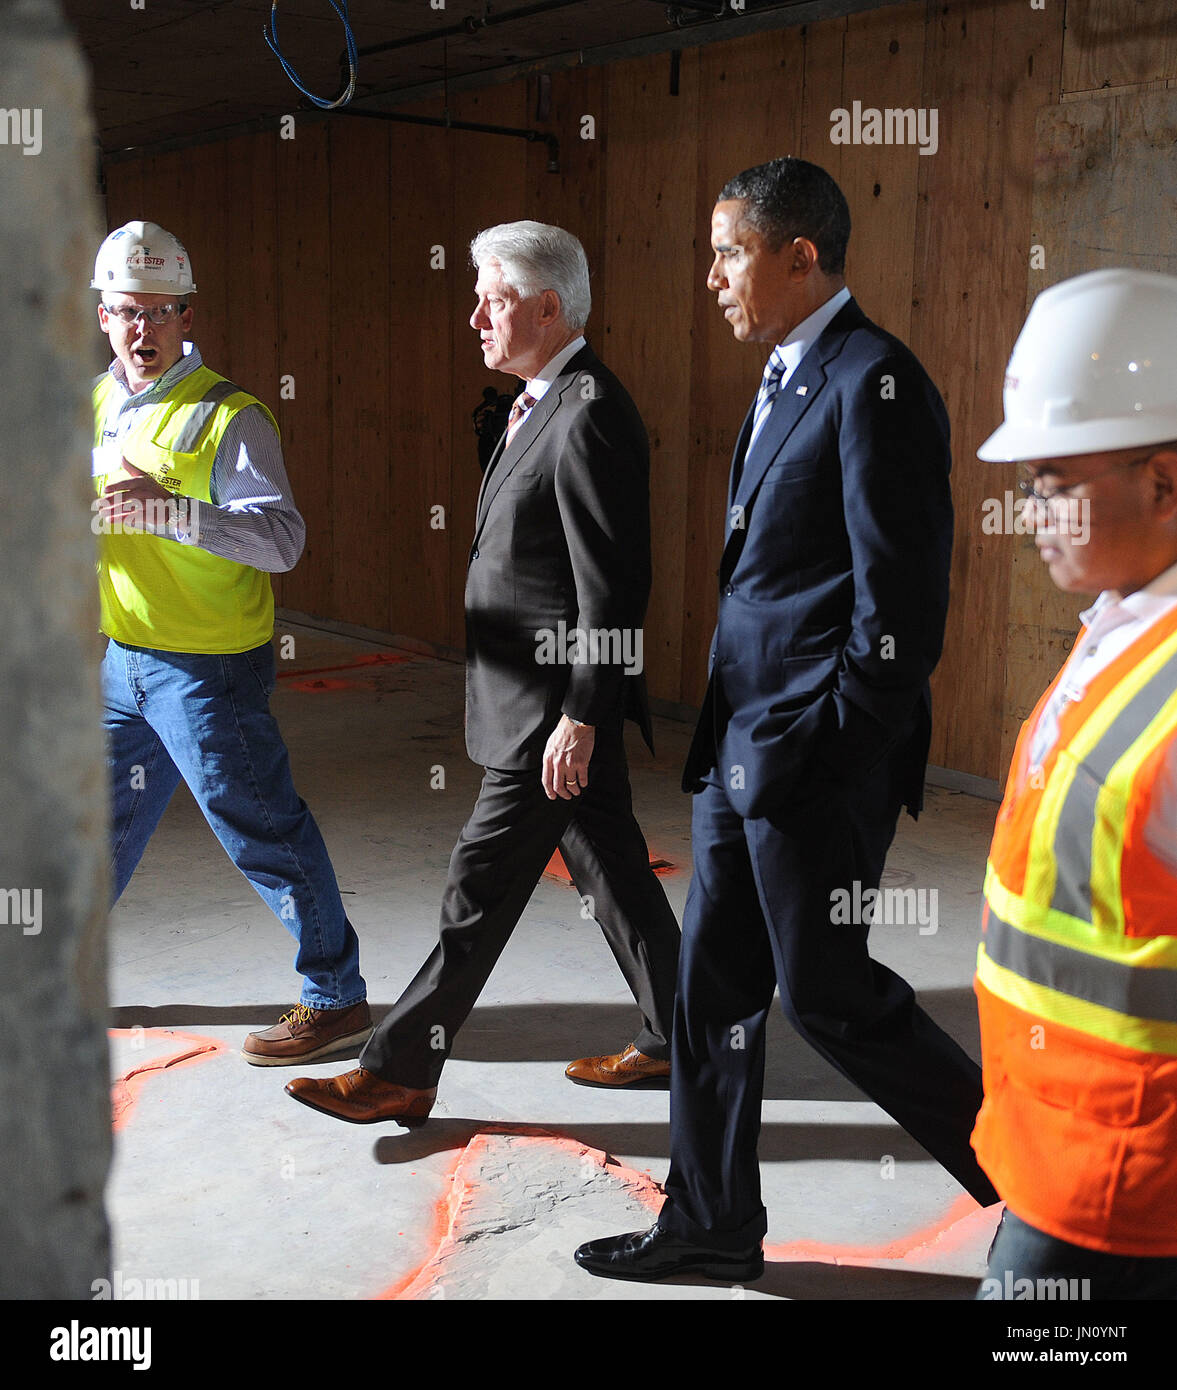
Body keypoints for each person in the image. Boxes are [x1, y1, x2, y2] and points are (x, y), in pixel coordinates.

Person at [576, 157, 998, 1284]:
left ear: (798, 255)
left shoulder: (876, 384)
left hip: (807, 762)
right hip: (741, 751)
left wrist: (825, 751)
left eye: (728, 251)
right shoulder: (787, 375)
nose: (710, 275)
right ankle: (709, 1219)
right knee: (709, 990)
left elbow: (900, 607)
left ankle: (1057, 1198)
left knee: (830, 999)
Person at [285, 221, 681, 1125]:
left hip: (549, 709)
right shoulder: (538, 400)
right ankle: (682, 1037)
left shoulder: (586, 411)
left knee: (479, 884)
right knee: (613, 871)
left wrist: (582, 715)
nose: (473, 318)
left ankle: (401, 1068)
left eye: (492, 299)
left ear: (547, 306)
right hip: (536, 699)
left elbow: (611, 586)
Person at [92, 220, 370, 1066]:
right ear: (102, 314)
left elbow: (282, 542)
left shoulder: (229, 415)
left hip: (206, 669)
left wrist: (172, 511)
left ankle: (335, 996)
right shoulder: (96, 402)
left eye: (162, 312)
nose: (144, 331)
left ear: (187, 313)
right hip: (122, 660)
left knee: (261, 827)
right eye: (127, 312)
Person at [971, 267, 1177, 1299]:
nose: (1030, 509)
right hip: (1058, 1147)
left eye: (1053, 480)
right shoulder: (1122, 623)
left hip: (1122, 1191)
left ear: (1165, 480)